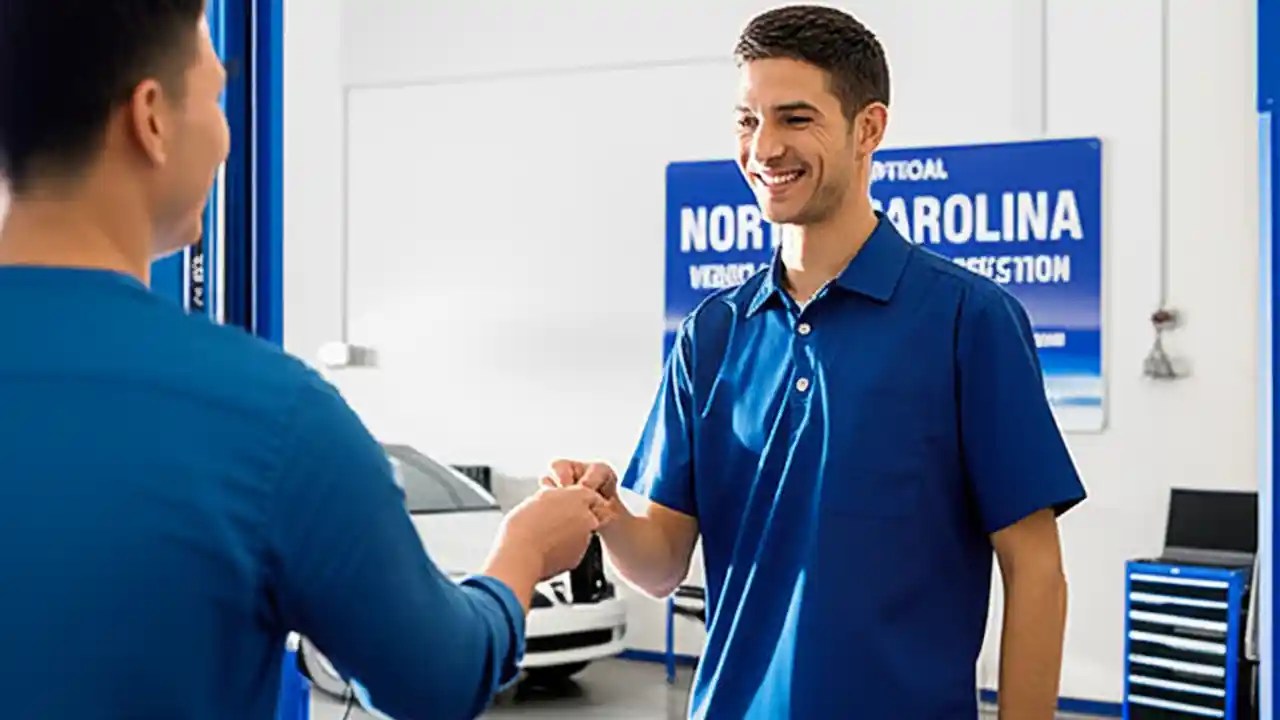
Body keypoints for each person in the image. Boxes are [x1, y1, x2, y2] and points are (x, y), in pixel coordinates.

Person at [0, 3, 607, 719]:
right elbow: (437, 678)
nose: (227, 138)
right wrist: (524, 551)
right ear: (152, 117)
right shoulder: (266, 416)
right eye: (218, 96)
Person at [546, 5, 1087, 719]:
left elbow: (1037, 571)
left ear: (869, 129)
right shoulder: (713, 333)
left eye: (795, 118)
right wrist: (610, 514)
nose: (764, 148)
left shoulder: (969, 321)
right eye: (748, 120)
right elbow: (662, 565)